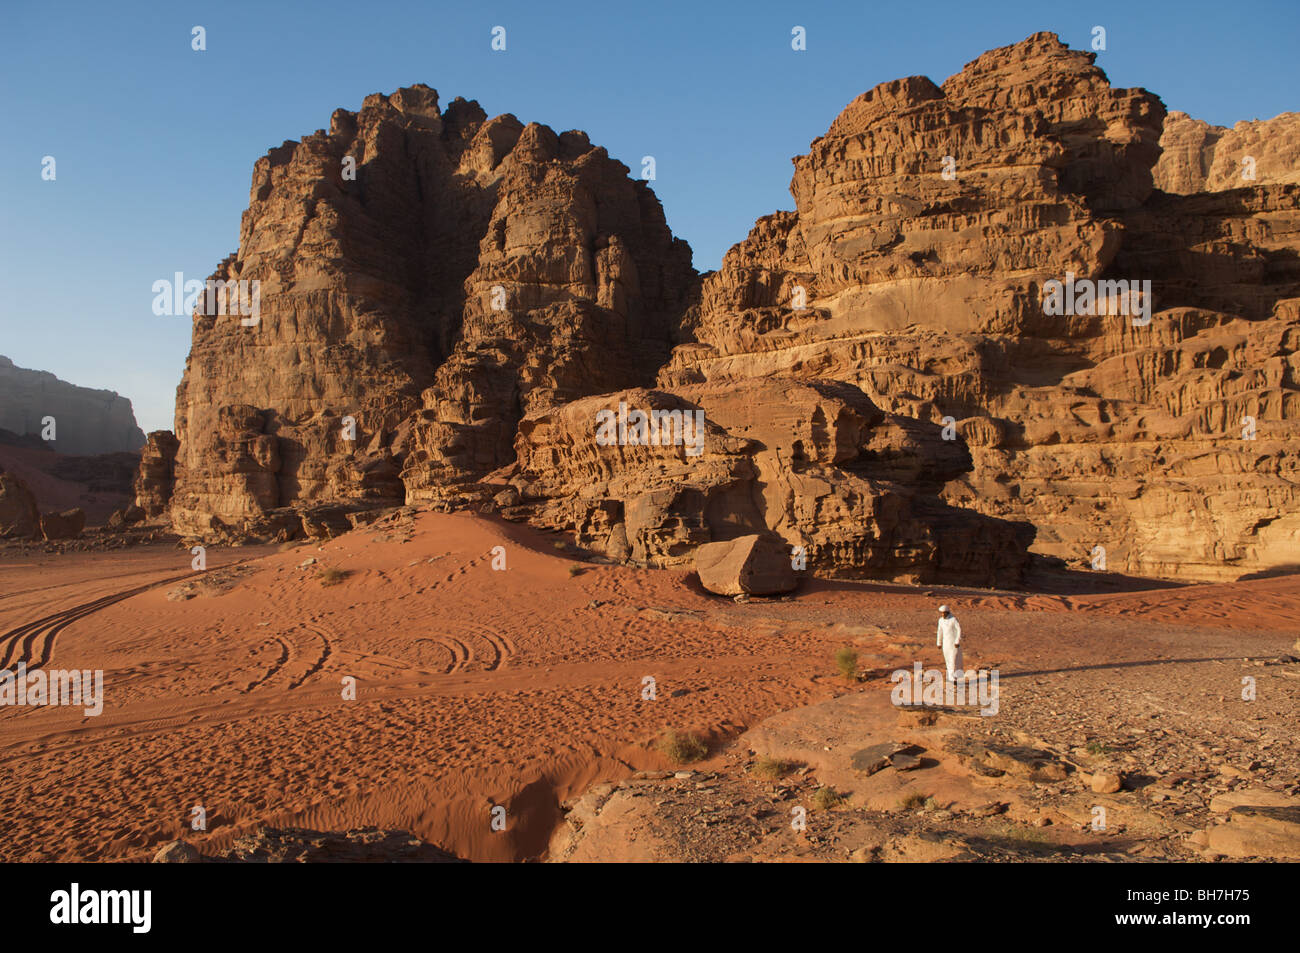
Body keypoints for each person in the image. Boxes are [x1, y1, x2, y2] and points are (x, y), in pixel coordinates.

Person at [936, 604, 963, 682]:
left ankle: (954, 677)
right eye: (942, 613)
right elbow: (939, 631)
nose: (943, 614)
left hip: (953, 643)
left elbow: (959, 630)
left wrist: (957, 641)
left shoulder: (953, 619)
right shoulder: (940, 620)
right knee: (948, 659)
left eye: (944, 613)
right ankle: (952, 677)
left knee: (953, 659)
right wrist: (939, 642)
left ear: (948, 612)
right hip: (946, 644)